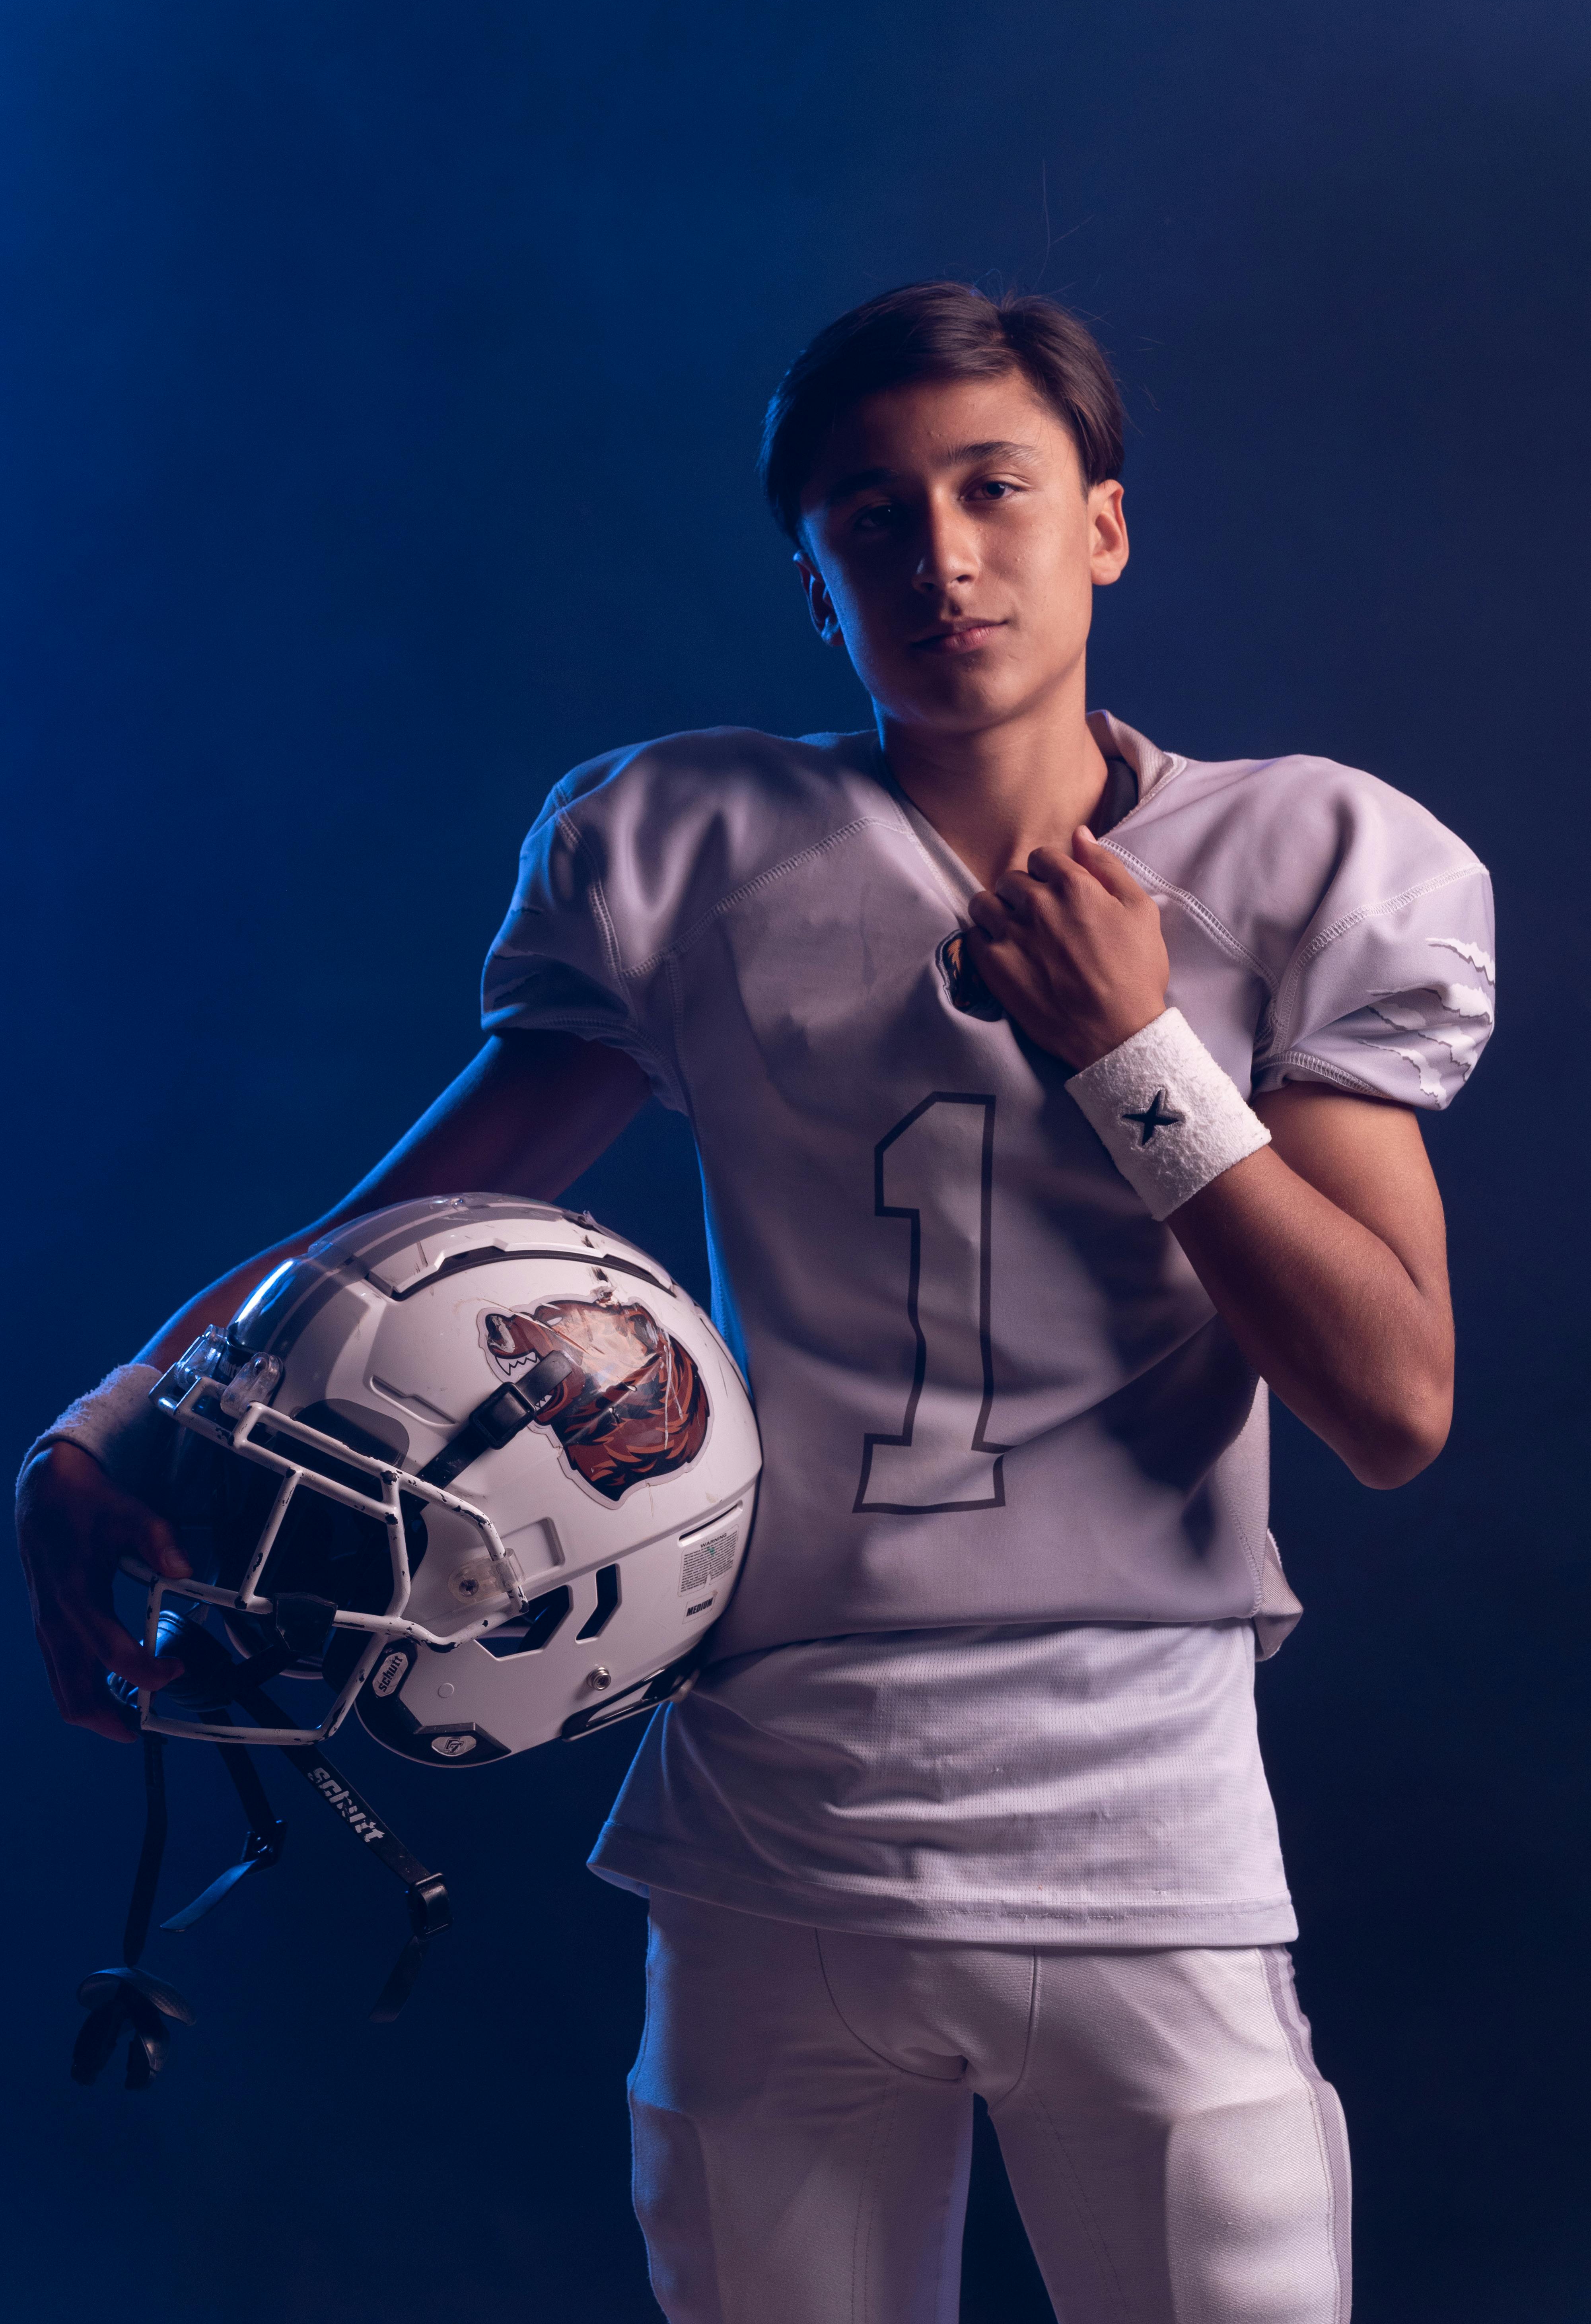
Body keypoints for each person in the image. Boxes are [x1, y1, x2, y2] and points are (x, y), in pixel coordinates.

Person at [16, 282, 1494, 2322]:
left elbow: (1391, 1396)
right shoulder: (688, 844)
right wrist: (118, 1412)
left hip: (1139, 1825)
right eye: (872, 515)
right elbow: (406, 1227)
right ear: (812, 578)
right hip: (766, 1831)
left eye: (995, 489)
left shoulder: (1313, 857)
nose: (942, 554)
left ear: (1105, 527)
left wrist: (1136, 1056)